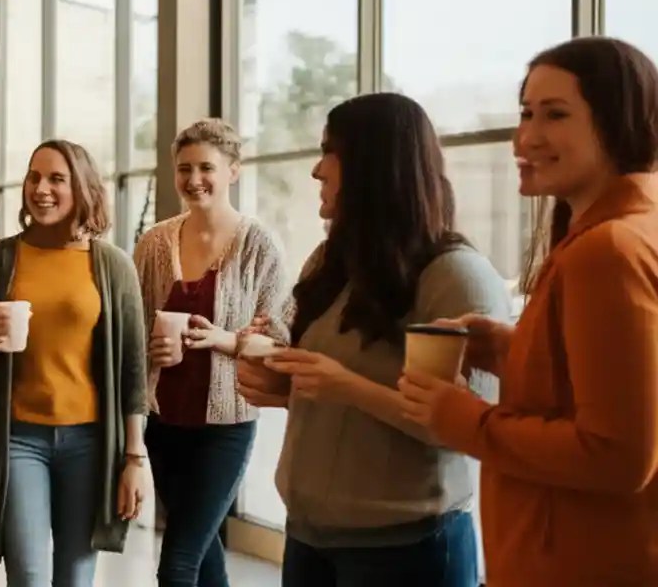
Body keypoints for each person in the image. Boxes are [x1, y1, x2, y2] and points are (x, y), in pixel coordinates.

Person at [400, 37, 658, 586]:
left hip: (580, 561)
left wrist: (461, 418)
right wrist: (506, 348)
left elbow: (618, 456)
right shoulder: (627, 232)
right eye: (525, 113)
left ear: (618, 122)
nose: (525, 138)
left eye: (555, 115)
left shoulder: (607, 250)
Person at [237, 93, 509, 587]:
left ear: (374, 165)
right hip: (307, 539)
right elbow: (339, 393)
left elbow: (473, 427)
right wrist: (283, 388)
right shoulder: (330, 265)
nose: (317, 171)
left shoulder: (455, 276)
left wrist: (345, 386)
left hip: (407, 550)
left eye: (329, 151)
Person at [0, 139, 149, 587]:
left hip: (90, 442)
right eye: (34, 176)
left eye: (56, 179)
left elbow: (132, 369)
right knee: (27, 574)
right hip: (19, 438)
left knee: (75, 576)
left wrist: (134, 457)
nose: (41, 188)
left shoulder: (112, 266)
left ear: (81, 188)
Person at [132, 119, 290, 587]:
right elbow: (131, 325)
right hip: (163, 422)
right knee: (203, 555)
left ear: (233, 172)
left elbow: (282, 335)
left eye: (207, 167)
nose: (194, 179)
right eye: (184, 168)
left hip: (227, 427)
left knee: (178, 562)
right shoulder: (155, 243)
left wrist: (225, 339)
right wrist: (151, 347)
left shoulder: (260, 244)